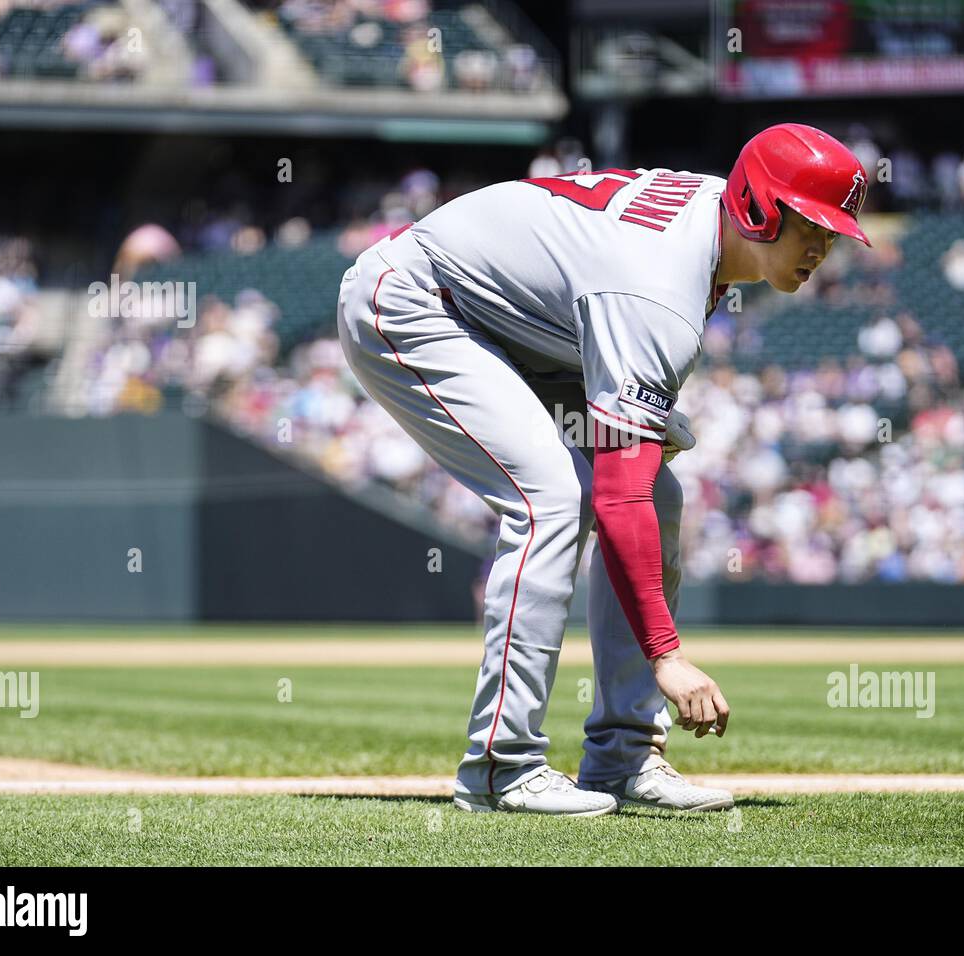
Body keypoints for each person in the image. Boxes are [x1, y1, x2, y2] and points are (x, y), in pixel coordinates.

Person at [337, 124, 870, 815]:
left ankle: (622, 757)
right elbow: (618, 500)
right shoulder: (658, 290)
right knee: (551, 500)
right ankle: (501, 765)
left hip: (510, 322)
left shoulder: (709, 226)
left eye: (833, 233)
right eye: (810, 226)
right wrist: (667, 654)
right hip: (417, 300)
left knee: (662, 497)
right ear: (761, 209)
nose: (822, 249)